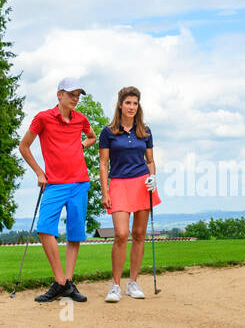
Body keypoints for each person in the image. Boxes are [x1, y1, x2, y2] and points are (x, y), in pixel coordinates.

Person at [18, 78, 96, 302]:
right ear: (59, 94)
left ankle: (67, 283)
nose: (75, 99)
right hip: (54, 184)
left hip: (80, 183)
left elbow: (91, 137)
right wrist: (39, 173)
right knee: (45, 228)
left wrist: (81, 144)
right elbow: (24, 146)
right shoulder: (43, 118)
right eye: (71, 94)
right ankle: (60, 281)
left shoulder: (81, 119)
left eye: (78, 95)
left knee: (75, 233)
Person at [97, 86, 160, 302]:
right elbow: (104, 164)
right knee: (121, 234)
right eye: (128, 103)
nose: (132, 107)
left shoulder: (145, 131)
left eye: (135, 103)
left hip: (142, 184)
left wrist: (153, 177)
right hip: (119, 185)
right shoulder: (108, 132)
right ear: (120, 105)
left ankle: (133, 283)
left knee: (140, 235)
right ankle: (115, 285)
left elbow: (150, 160)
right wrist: (105, 191)